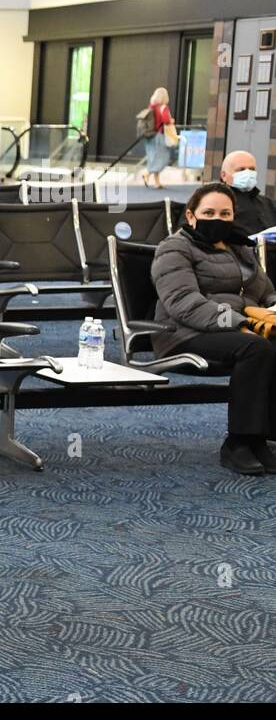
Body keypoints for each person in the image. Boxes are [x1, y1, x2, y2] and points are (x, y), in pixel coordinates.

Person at [151, 182, 276, 476]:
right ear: (191, 216)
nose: (217, 219)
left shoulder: (239, 248)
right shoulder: (174, 248)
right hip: (183, 333)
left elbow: (264, 292)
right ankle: (237, 444)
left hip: (230, 330)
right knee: (255, 347)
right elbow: (183, 302)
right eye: (209, 212)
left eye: (225, 213)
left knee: (269, 345)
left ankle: (261, 440)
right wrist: (241, 322)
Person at [220, 150, 276, 237]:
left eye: (252, 169)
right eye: (241, 169)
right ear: (224, 175)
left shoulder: (268, 203)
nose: (248, 173)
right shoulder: (218, 203)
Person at [142, 87, 175, 190]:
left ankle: (157, 182)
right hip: (159, 135)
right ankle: (147, 173)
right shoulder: (163, 107)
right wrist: (171, 121)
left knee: (153, 157)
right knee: (162, 157)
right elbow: (166, 121)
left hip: (149, 135)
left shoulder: (151, 107)